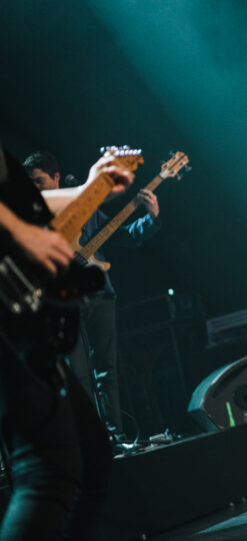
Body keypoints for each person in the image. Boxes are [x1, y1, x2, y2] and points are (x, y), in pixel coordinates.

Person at [0, 147, 134, 539]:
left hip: (21, 320)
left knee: (91, 458)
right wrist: (23, 232)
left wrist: (92, 189)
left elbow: (25, 205)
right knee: (48, 469)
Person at [24, 151, 161, 438]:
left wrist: (150, 218)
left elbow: (121, 236)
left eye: (40, 181)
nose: (35, 189)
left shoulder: (84, 206)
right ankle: (92, 441)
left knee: (107, 371)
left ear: (57, 177)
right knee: (78, 375)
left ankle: (118, 438)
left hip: (99, 296)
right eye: (31, 183)